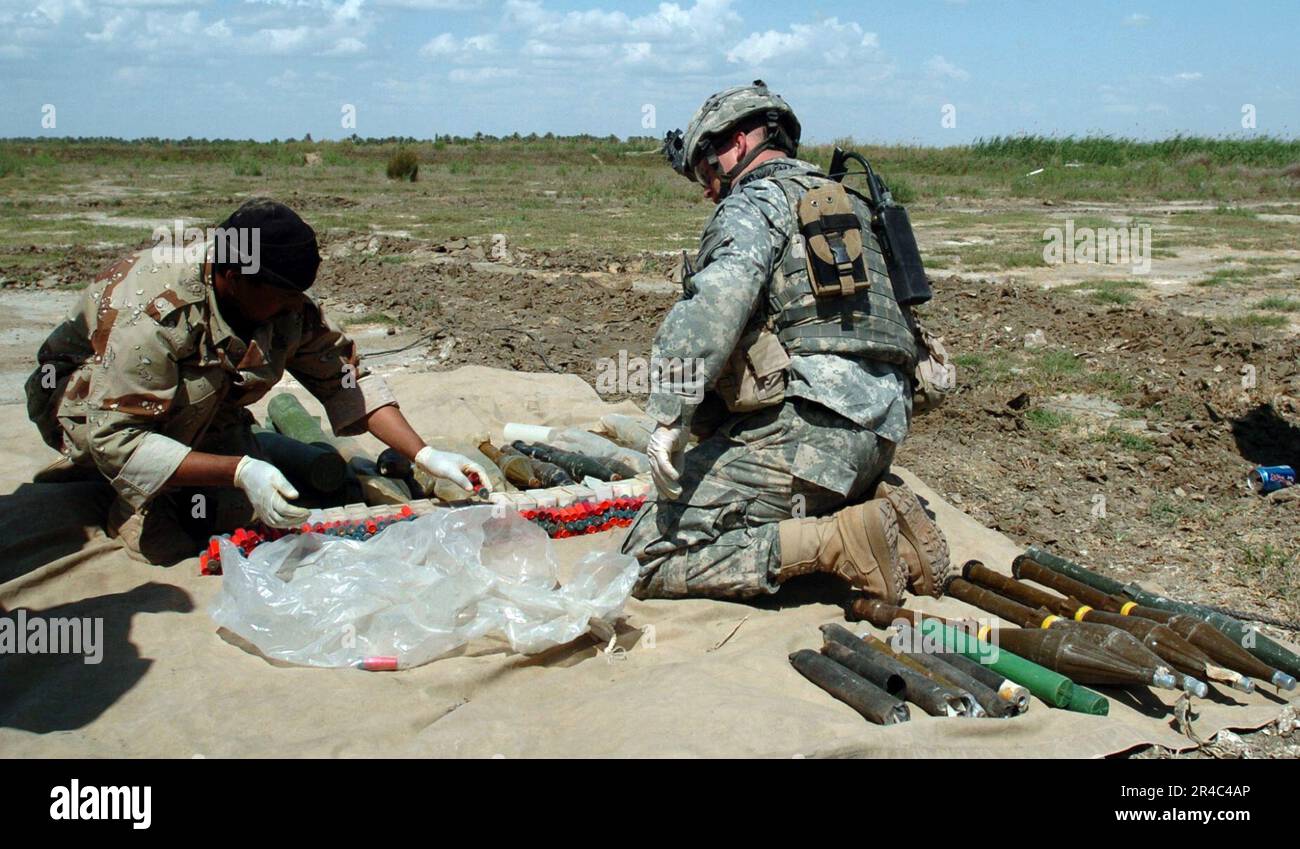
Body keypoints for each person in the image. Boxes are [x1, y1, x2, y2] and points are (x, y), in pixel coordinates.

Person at [621, 81, 950, 602]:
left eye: (706, 169)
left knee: (644, 555)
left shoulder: (755, 204)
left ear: (738, 141)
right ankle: (880, 517)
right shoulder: (853, 208)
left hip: (810, 439)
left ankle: (832, 541)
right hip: (882, 434)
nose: (707, 188)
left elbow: (714, 306)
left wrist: (668, 415)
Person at [26, 198, 488, 564]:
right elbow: (119, 437)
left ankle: (181, 470)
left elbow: (346, 380)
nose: (294, 306)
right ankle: (126, 491)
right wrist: (241, 470)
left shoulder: (280, 301)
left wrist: (426, 455)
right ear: (231, 278)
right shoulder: (156, 313)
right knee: (166, 547)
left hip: (198, 409)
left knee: (245, 525)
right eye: (283, 295)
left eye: (297, 295)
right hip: (86, 401)